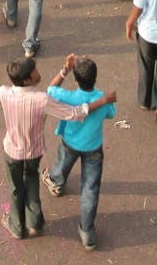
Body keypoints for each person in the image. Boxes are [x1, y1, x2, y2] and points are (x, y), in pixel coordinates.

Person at [0, 55, 116, 241]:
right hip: (33, 152)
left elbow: (54, 90)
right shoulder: (41, 100)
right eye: (34, 71)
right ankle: (35, 223)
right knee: (31, 181)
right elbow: (74, 113)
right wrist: (103, 101)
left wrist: (64, 71)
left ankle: (17, 226)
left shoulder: (3, 92)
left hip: (12, 151)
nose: (38, 73)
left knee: (15, 188)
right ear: (27, 80)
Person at [42, 56, 116, 251]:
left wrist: (63, 71)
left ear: (76, 79)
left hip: (70, 141)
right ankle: (87, 231)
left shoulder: (69, 97)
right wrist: (105, 100)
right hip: (93, 147)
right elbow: (111, 114)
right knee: (90, 189)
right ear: (95, 78)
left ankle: (55, 183)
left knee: (62, 164)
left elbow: (50, 90)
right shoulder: (103, 98)